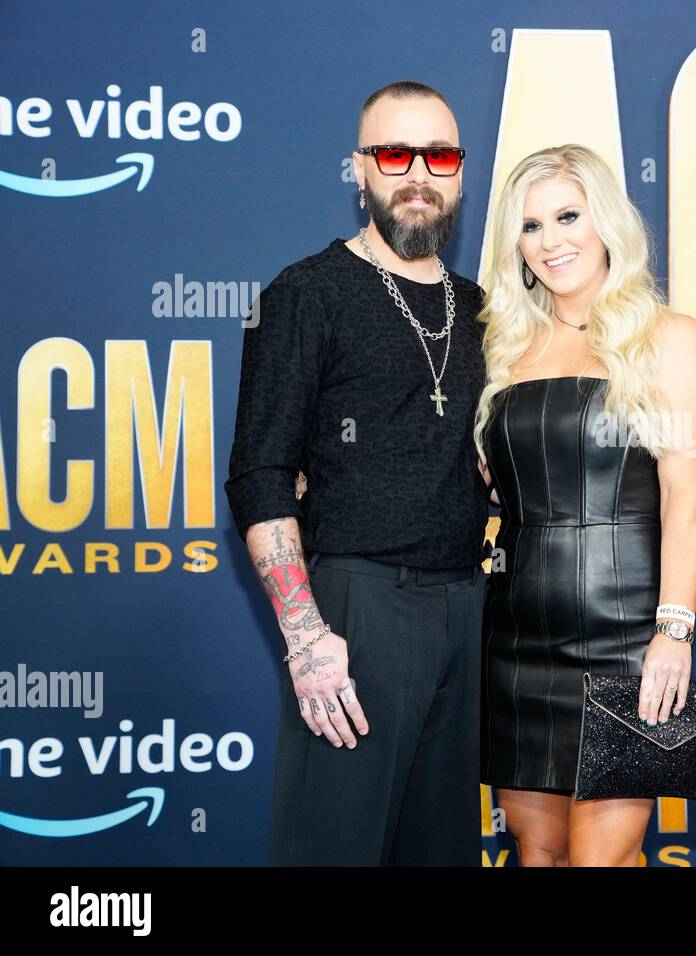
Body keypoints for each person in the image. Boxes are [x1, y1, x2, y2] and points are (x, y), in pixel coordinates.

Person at [224, 81, 489, 866]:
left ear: (460, 173)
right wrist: (307, 637)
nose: (418, 174)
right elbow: (259, 473)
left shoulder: (483, 310)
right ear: (360, 170)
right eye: (393, 154)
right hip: (355, 610)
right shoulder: (306, 295)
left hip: (467, 609)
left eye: (438, 155)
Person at [472, 143, 696, 866]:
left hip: (625, 644)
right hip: (514, 641)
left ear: (606, 220)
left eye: (567, 216)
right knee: (538, 853)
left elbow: (687, 495)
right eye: (531, 226)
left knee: (601, 861)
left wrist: (673, 633)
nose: (551, 241)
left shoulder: (669, 340)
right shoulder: (501, 350)